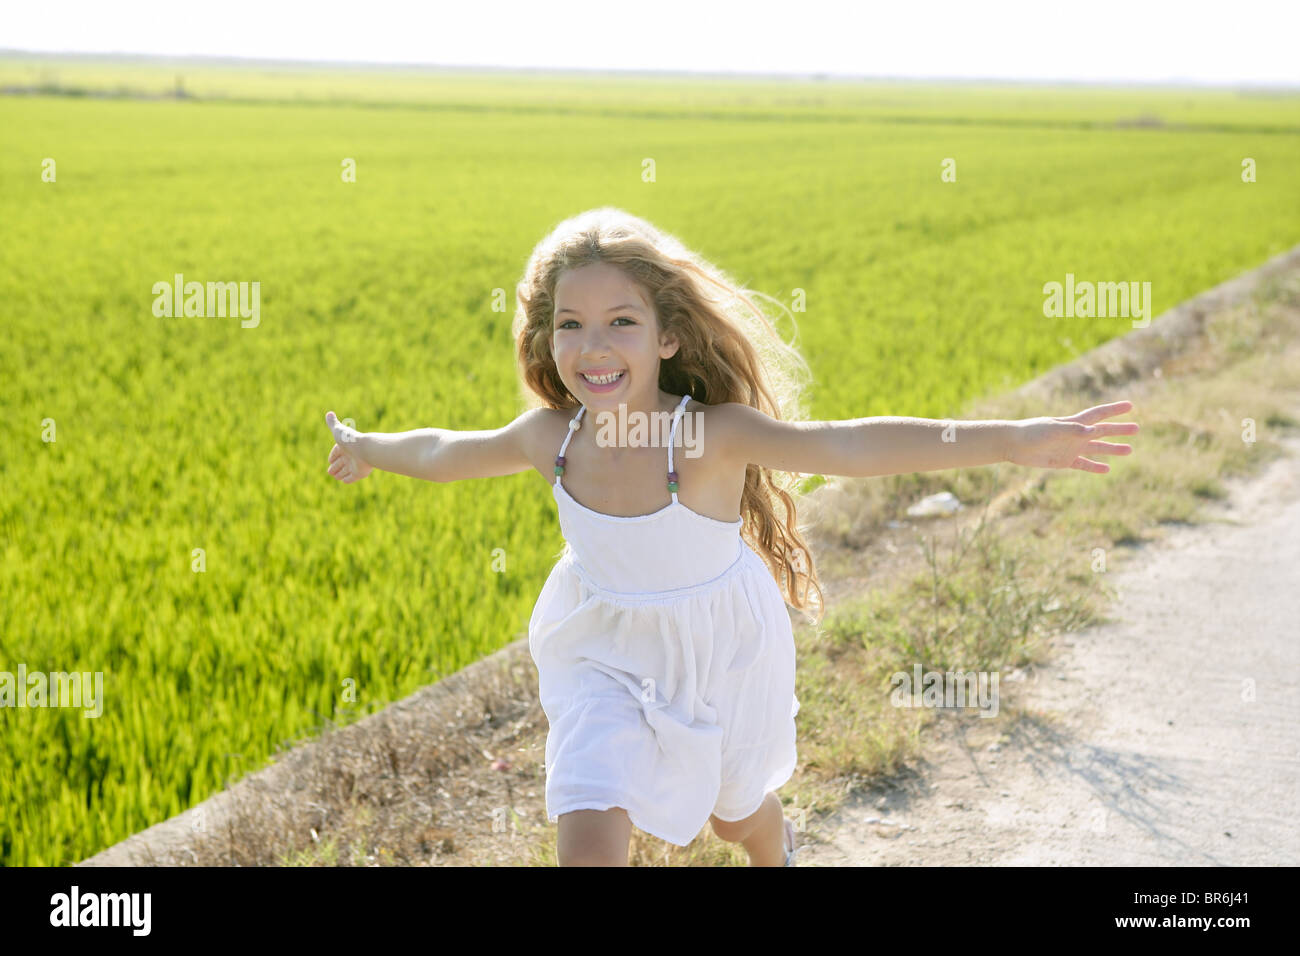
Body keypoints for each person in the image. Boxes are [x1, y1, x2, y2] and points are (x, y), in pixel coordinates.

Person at [323, 207, 1138, 866]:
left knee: (734, 815)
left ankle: (772, 846)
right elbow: (442, 450)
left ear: (666, 336)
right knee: (587, 802)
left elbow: (847, 444)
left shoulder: (709, 437)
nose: (594, 347)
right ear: (546, 341)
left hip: (721, 648)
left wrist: (1008, 439)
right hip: (601, 646)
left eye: (621, 322)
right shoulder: (552, 439)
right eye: (570, 325)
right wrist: (365, 448)